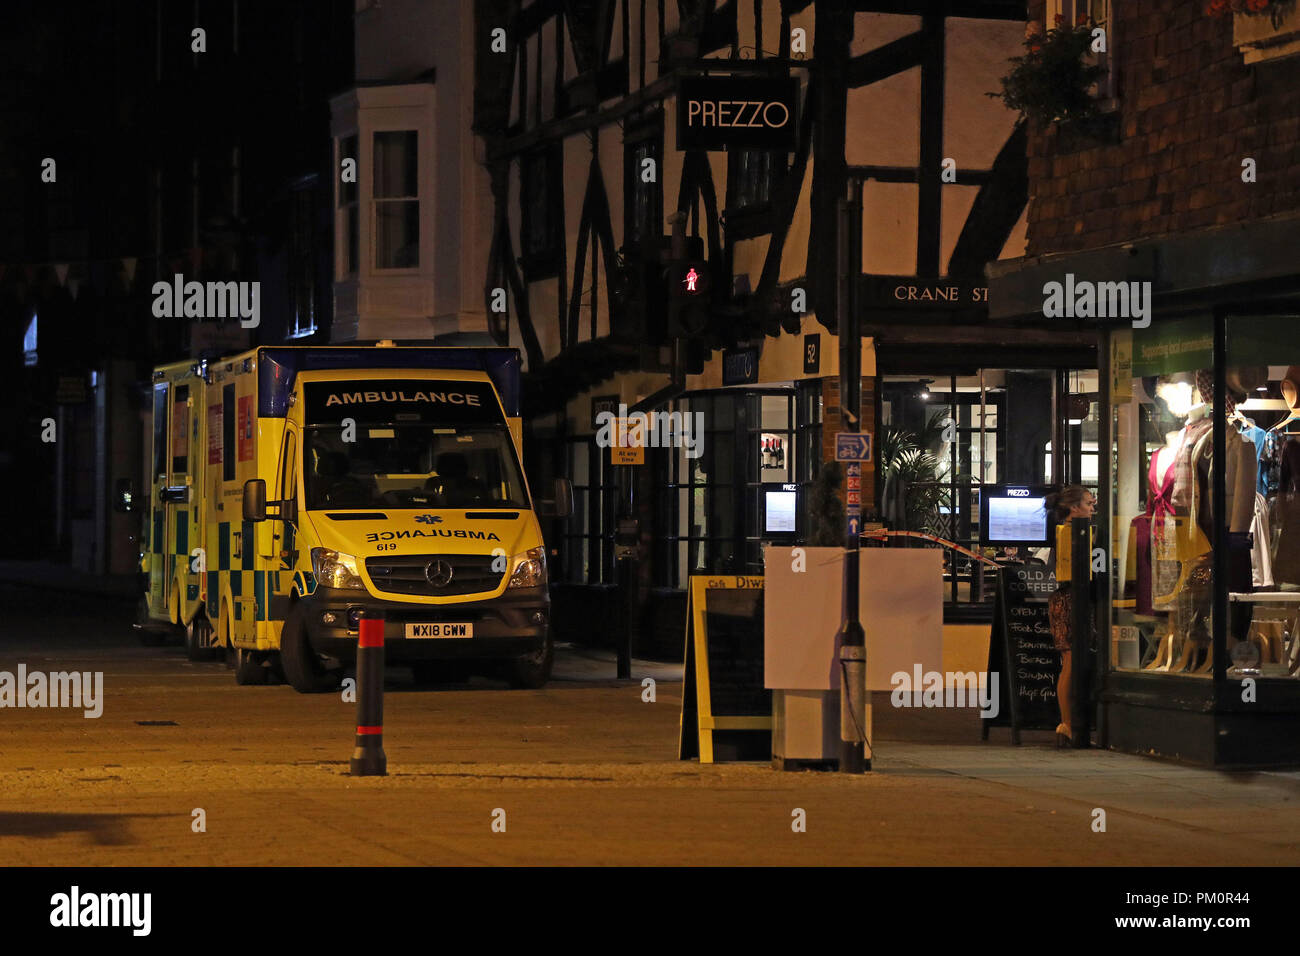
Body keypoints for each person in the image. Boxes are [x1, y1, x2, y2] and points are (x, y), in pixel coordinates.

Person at [1046, 485, 1096, 747]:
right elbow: (1069, 572)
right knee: (1070, 661)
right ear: (1074, 508)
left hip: (1070, 598)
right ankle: (1067, 723)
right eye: (1088, 503)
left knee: (1074, 662)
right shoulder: (1069, 533)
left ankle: (1070, 722)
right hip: (1069, 599)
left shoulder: (1077, 531)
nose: (1092, 507)